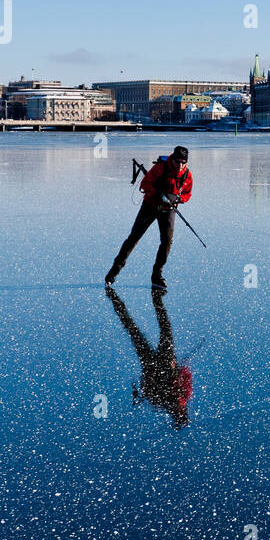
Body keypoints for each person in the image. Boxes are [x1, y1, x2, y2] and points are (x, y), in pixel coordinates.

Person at [105, 146, 192, 292]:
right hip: (150, 206)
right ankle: (113, 272)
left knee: (167, 241)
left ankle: (157, 276)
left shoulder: (187, 175)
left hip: (168, 209)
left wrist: (178, 199)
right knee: (134, 237)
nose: (180, 165)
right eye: (178, 162)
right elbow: (144, 184)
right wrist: (157, 194)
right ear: (173, 159)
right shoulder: (160, 168)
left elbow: (187, 194)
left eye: (184, 162)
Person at [105, 286, 193, 429]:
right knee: (134, 332)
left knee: (161, 329)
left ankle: (156, 298)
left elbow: (185, 374)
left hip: (163, 362)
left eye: (181, 413)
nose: (181, 411)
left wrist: (177, 368)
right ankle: (117, 300)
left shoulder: (179, 398)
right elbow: (146, 387)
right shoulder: (162, 403)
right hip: (154, 365)